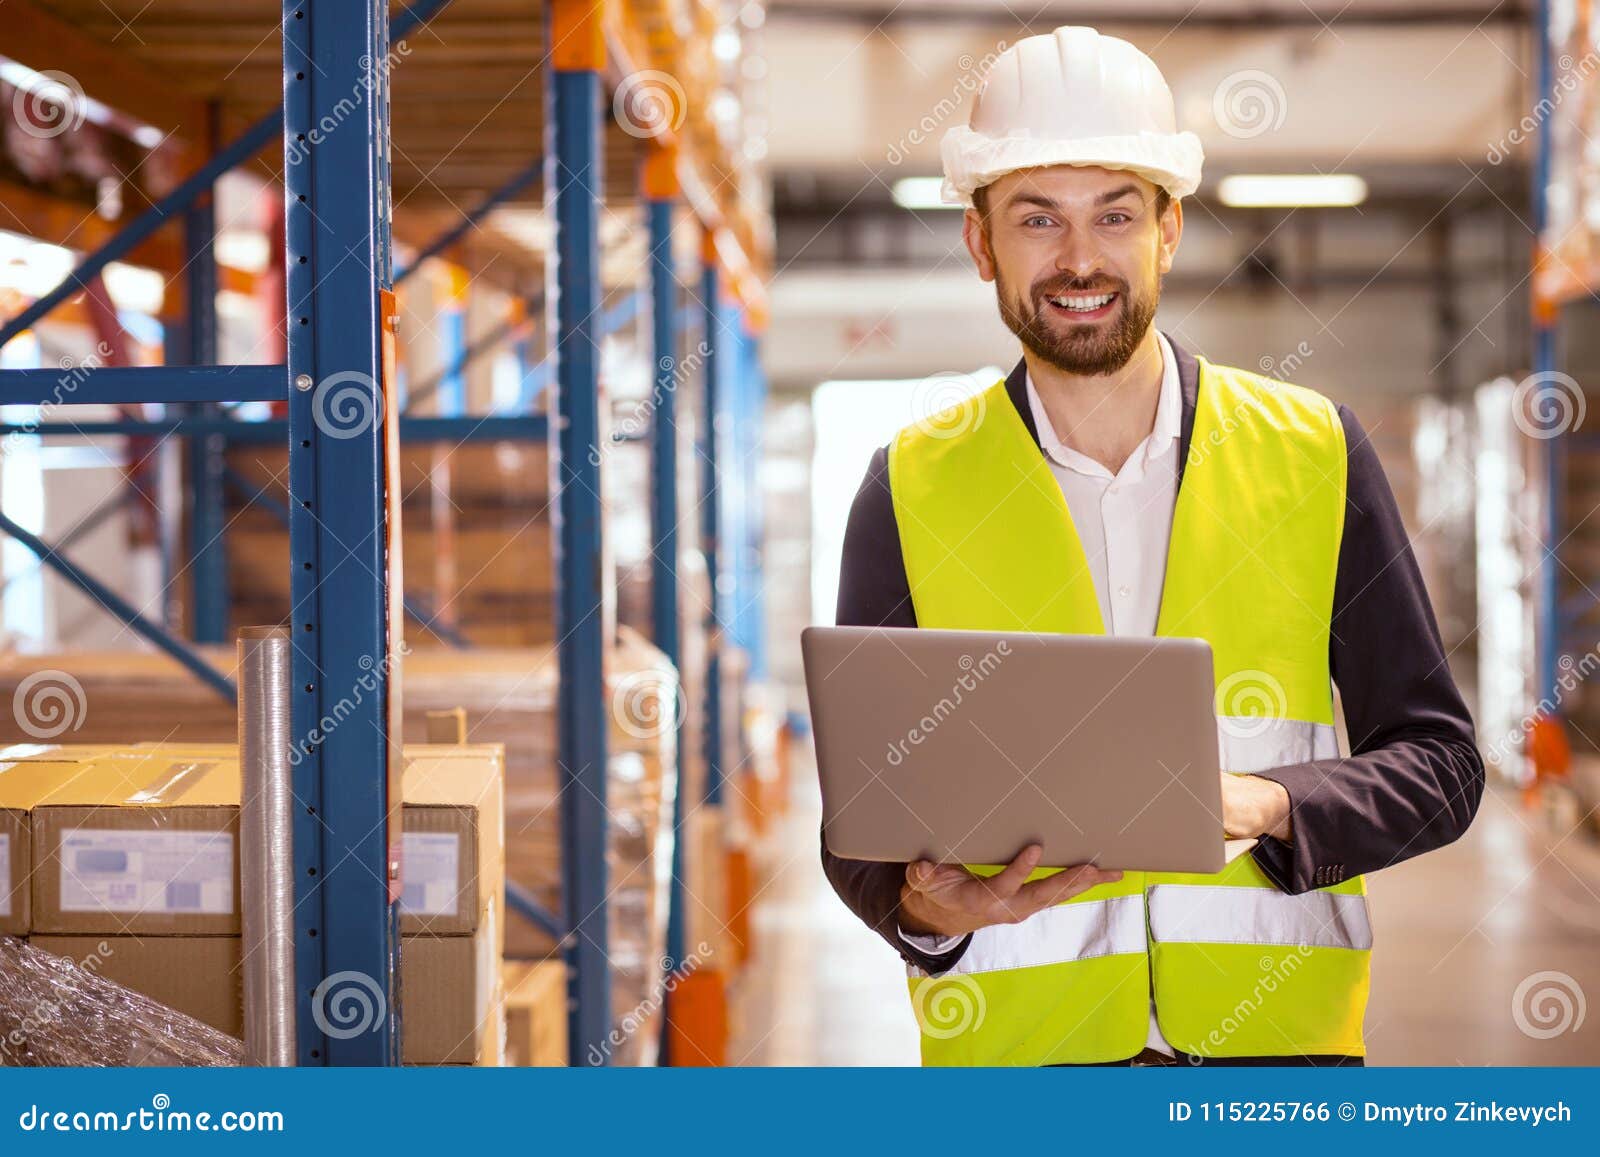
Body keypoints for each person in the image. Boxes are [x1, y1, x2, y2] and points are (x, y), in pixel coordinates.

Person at [822, 25, 1484, 1067]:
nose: (1078, 258)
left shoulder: (1315, 454)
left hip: (1276, 1062)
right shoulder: (906, 485)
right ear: (979, 242)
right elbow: (861, 821)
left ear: (1168, 228)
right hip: (1021, 1070)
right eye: (1036, 218)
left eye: (1114, 214)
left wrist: (1265, 803)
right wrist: (925, 904)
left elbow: (1441, 769)